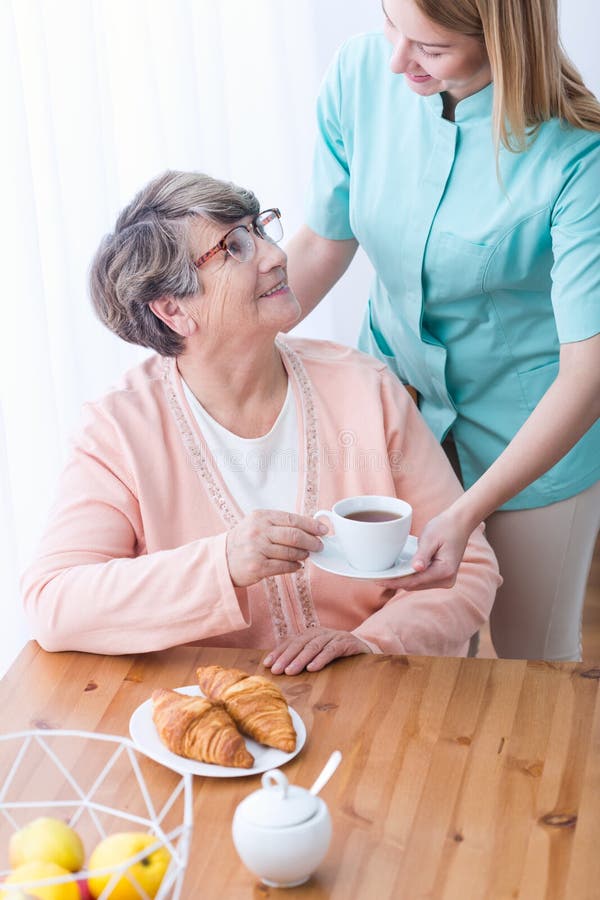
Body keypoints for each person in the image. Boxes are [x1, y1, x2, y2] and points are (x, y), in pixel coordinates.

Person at [21, 170, 500, 674]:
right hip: (212, 709)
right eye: (234, 247)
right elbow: (54, 603)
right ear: (172, 310)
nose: (276, 255)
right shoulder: (119, 430)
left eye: (261, 230)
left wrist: (374, 642)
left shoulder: (364, 387)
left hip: (371, 699)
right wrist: (223, 564)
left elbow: (468, 566)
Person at [285, 0, 600, 661]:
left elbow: (587, 376)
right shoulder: (362, 74)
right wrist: (225, 339)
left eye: (430, 47)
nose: (397, 58)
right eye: (391, 23)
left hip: (531, 434)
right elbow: (320, 242)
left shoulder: (579, 156)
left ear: (503, 39)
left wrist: (464, 513)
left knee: (530, 666)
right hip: (396, 418)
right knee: (401, 649)